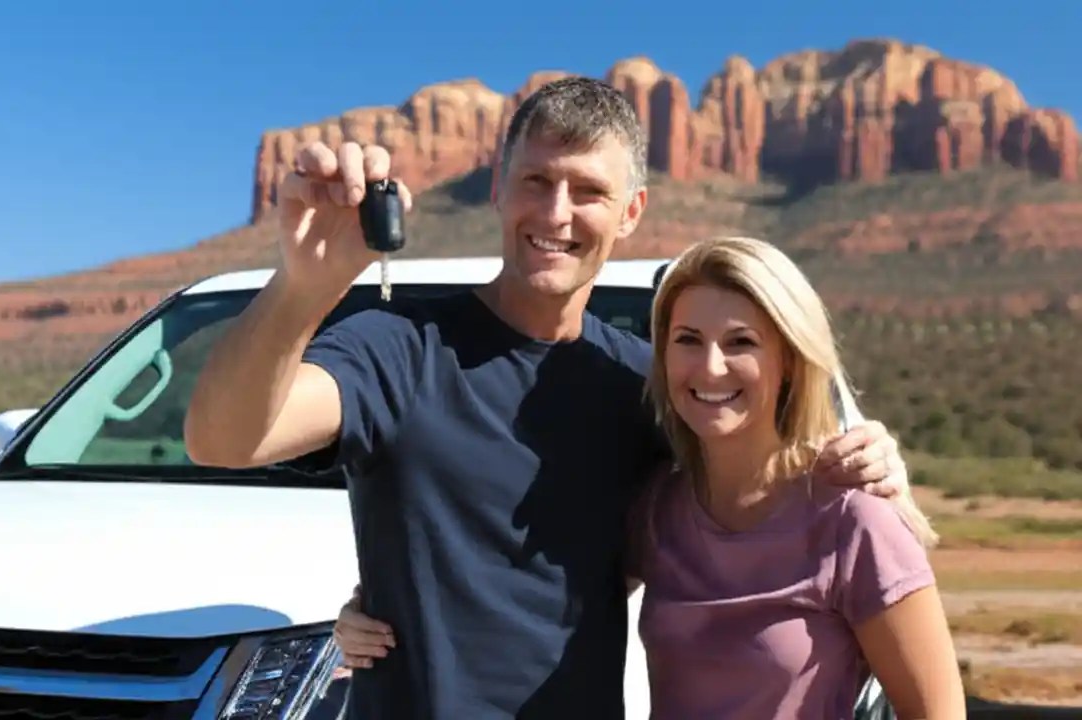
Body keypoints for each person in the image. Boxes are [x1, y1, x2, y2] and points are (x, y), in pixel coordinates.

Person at [184, 76, 911, 719]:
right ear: (497, 189)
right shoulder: (398, 346)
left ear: (630, 212)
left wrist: (874, 465)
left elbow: (748, 509)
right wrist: (306, 285)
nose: (557, 213)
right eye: (536, 181)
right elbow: (225, 439)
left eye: (589, 190)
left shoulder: (648, 388)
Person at [334, 236, 967, 719]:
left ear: (790, 361)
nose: (710, 366)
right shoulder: (659, 511)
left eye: (741, 341)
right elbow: (538, 596)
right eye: (688, 339)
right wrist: (379, 609)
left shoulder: (853, 523)